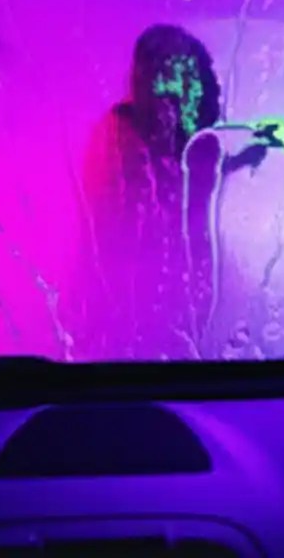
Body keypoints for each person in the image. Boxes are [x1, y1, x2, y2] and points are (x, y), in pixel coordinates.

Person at [76, 25, 232, 359]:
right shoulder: (122, 138)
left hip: (172, 308)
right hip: (128, 315)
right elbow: (117, 228)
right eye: (174, 79)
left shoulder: (197, 147)